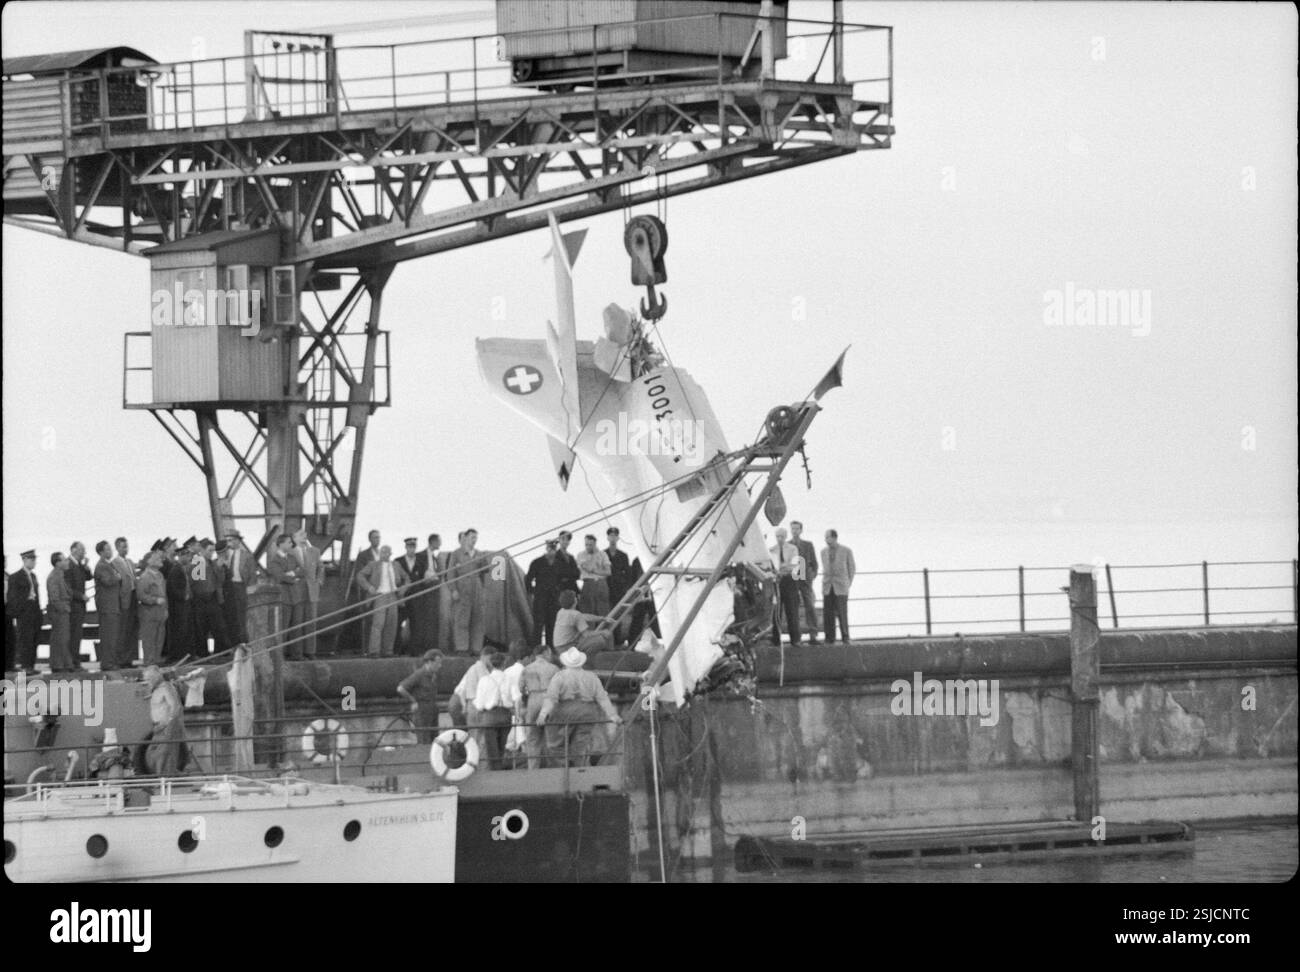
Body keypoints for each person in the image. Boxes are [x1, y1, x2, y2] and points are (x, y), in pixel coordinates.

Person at [537, 646, 619, 767]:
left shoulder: (559, 677)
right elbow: (602, 698)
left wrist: (543, 714)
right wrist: (613, 715)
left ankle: (563, 768)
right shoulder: (592, 677)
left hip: (564, 712)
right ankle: (579, 771)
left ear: (565, 662)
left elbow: (551, 698)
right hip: (588, 712)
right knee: (580, 745)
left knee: (554, 744)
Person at [357, 544, 408, 657]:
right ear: (380, 553)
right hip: (379, 596)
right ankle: (374, 651)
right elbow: (360, 575)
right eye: (383, 552)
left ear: (390, 554)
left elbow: (406, 578)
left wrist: (403, 588)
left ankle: (388, 651)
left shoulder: (396, 565)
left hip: (393, 596)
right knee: (378, 624)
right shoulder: (373, 565)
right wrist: (369, 587)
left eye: (387, 552)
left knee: (392, 624)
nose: (385, 554)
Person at [445, 529, 487, 654]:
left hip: (477, 590)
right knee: (462, 619)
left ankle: (476, 648)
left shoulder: (479, 554)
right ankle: (462, 648)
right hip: (462, 589)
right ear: (465, 538)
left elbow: (485, 572)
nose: (474, 540)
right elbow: (450, 574)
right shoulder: (456, 554)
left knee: (477, 620)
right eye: (472, 537)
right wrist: (453, 590)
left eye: (476, 538)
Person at [520, 643, 560, 768]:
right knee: (552, 736)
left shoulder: (526, 669)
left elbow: (520, 688)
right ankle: (553, 769)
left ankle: (533, 769)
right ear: (546, 653)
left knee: (532, 737)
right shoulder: (553, 668)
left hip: (533, 698)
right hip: (549, 699)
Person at [267, 533, 307, 659]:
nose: (291, 545)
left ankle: (297, 655)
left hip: (296, 597)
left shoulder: (292, 557)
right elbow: (280, 577)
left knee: (297, 627)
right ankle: (279, 656)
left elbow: (303, 571)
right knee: (282, 628)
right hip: (283, 598)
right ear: (281, 544)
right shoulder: (274, 560)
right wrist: (294, 576)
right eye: (289, 542)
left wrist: (291, 574)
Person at [472, 652, 514, 768]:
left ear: (490, 664)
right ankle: (499, 769)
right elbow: (516, 697)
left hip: (489, 716)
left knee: (491, 750)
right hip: (505, 715)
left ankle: (494, 772)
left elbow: (479, 704)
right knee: (502, 747)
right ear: (504, 663)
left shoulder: (484, 680)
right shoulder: (509, 679)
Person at [189, 539, 230, 657]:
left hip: (212, 597)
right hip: (202, 598)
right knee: (203, 628)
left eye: (213, 550)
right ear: (202, 550)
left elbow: (220, 580)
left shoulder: (211, 563)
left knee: (218, 626)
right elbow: (200, 582)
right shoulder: (198, 562)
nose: (212, 553)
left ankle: (220, 651)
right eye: (209, 550)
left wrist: (219, 568)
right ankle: (203, 654)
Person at [144, 666, 186, 777]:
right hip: (158, 727)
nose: (147, 682)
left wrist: (169, 723)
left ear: (155, 678)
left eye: (148, 679)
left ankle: (166, 778)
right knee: (154, 754)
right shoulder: (156, 690)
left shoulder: (167, 687)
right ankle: (162, 777)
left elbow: (175, 706)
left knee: (165, 754)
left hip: (167, 726)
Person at [396, 650, 443, 745]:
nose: (440, 666)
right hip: (422, 709)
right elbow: (401, 688)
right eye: (437, 663)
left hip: (432, 708)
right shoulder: (419, 674)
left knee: (434, 738)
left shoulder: (433, 675)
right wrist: (413, 701)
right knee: (423, 739)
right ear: (429, 662)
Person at [525, 540, 564, 648]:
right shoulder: (537, 562)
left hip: (554, 599)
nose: (551, 551)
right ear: (546, 548)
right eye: (550, 548)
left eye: (554, 549)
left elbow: (562, 580)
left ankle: (550, 648)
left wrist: (559, 592)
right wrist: (533, 592)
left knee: (552, 624)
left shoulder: (559, 564)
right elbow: (528, 579)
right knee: (538, 624)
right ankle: (536, 648)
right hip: (540, 598)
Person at [8, 550, 42, 672]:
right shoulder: (15, 577)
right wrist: (19, 611)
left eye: (34, 560)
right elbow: (12, 597)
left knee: (34, 639)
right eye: (31, 560)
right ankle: (25, 666)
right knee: (25, 639)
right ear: (25, 560)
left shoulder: (33, 576)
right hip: (24, 612)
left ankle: (31, 666)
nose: (34, 562)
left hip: (34, 611)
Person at [821, 529, 857, 644]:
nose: (826, 540)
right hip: (827, 586)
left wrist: (848, 583)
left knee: (842, 612)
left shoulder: (846, 551)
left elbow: (851, 568)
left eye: (828, 537)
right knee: (828, 613)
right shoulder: (823, 552)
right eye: (825, 537)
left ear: (834, 537)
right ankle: (829, 638)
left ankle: (845, 637)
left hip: (841, 586)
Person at [294, 527, 325, 659]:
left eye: (305, 534)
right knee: (297, 622)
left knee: (311, 622)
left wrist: (319, 580)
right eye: (301, 535)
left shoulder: (315, 551)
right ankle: (297, 653)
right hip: (296, 592)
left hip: (312, 591)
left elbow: (321, 567)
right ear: (294, 538)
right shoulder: (290, 552)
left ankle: (310, 652)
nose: (304, 537)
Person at [769, 527, 803, 645]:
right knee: (776, 612)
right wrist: (782, 568)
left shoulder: (793, 549)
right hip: (777, 582)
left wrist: (781, 569)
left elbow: (794, 566)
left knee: (792, 611)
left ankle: (795, 639)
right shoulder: (772, 550)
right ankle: (776, 639)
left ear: (785, 536)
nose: (780, 539)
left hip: (790, 582)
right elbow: (770, 567)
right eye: (778, 536)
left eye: (782, 536)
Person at [93, 541, 123, 670]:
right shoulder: (101, 566)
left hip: (113, 604)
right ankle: (107, 663)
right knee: (108, 636)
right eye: (107, 549)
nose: (110, 551)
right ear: (101, 552)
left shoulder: (109, 565)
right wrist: (117, 576)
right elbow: (107, 581)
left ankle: (112, 661)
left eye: (110, 549)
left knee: (113, 635)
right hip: (107, 606)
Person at [410, 534, 443, 654]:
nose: (440, 544)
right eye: (439, 541)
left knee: (432, 619)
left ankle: (430, 648)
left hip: (433, 589)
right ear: (433, 542)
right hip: (424, 590)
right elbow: (416, 573)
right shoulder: (421, 555)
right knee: (422, 620)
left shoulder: (434, 557)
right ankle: (419, 648)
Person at [222, 530, 255, 645]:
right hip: (228, 588)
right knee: (229, 615)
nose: (228, 543)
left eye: (230, 540)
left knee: (242, 615)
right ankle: (232, 643)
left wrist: (250, 588)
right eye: (227, 540)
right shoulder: (224, 555)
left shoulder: (247, 556)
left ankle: (244, 641)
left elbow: (252, 574)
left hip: (241, 586)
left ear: (238, 541)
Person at [790, 520, 820, 644]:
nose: (795, 531)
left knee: (810, 606)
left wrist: (811, 577)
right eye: (793, 529)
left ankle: (813, 634)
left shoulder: (808, 545)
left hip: (805, 580)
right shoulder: (788, 545)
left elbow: (814, 564)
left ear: (801, 530)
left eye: (797, 529)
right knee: (793, 608)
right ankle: (797, 636)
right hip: (792, 580)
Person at [136, 550, 169, 666]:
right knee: (149, 640)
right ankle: (149, 664)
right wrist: (154, 600)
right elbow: (140, 595)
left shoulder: (160, 575)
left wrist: (165, 609)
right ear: (149, 561)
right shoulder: (145, 577)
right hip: (149, 613)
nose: (160, 560)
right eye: (157, 558)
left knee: (159, 639)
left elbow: (164, 594)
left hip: (160, 613)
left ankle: (156, 661)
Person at [164, 542, 194, 663]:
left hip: (184, 605)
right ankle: (178, 655)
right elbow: (172, 589)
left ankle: (184, 654)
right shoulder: (176, 570)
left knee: (185, 630)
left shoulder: (182, 569)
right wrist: (183, 596)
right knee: (179, 631)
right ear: (181, 556)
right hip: (178, 606)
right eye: (186, 556)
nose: (188, 558)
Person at [46, 553, 76, 671]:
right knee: (61, 639)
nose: (67, 562)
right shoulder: (54, 577)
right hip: (59, 613)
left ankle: (61, 664)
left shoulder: (60, 575)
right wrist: (64, 608)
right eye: (64, 560)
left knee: (61, 638)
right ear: (57, 563)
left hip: (62, 611)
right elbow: (54, 598)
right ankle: (62, 665)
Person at [111, 537, 138, 666]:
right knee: (123, 630)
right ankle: (121, 659)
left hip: (133, 596)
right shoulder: (115, 562)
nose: (125, 549)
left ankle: (129, 658)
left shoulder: (129, 562)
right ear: (117, 548)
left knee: (132, 630)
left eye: (126, 546)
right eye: (122, 547)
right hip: (124, 599)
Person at [66, 542, 92, 663]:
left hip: (79, 606)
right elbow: (67, 588)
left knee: (77, 635)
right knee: (73, 635)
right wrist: (81, 596)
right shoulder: (68, 565)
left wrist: (86, 566)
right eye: (81, 550)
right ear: (73, 550)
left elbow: (88, 577)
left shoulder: (79, 565)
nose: (84, 553)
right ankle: (72, 661)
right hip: (73, 605)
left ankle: (75, 660)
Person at [575, 534, 612, 616]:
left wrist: (594, 570)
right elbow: (585, 567)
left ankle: (604, 628)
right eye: (586, 544)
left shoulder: (603, 554)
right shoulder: (581, 555)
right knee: (587, 611)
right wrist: (597, 569)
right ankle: (589, 629)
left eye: (590, 545)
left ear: (595, 544)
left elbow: (608, 572)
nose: (588, 547)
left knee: (603, 611)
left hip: (601, 584)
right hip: (588, 583)